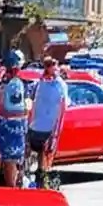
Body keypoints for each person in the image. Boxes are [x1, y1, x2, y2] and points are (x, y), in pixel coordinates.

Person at [28, 56, 69, 189]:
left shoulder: (60, 85)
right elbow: (32, 103)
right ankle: (36, 177)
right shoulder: (39, 84)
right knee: (36, 152)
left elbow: (63, 107)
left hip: (50, 126)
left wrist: (57, 129)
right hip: (36, 125)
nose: (52, 69)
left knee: (46, 154)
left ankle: (44, 180)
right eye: (49, 66)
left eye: (52, 66)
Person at [0, 51, 31, 188]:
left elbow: (4, 106)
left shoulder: (16, 83)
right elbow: (1, 107)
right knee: (11, 159)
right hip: (12, 124)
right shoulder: (9, 84)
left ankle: (15, 185)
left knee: (15, 159)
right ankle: (12, 186)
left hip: (15, 124)